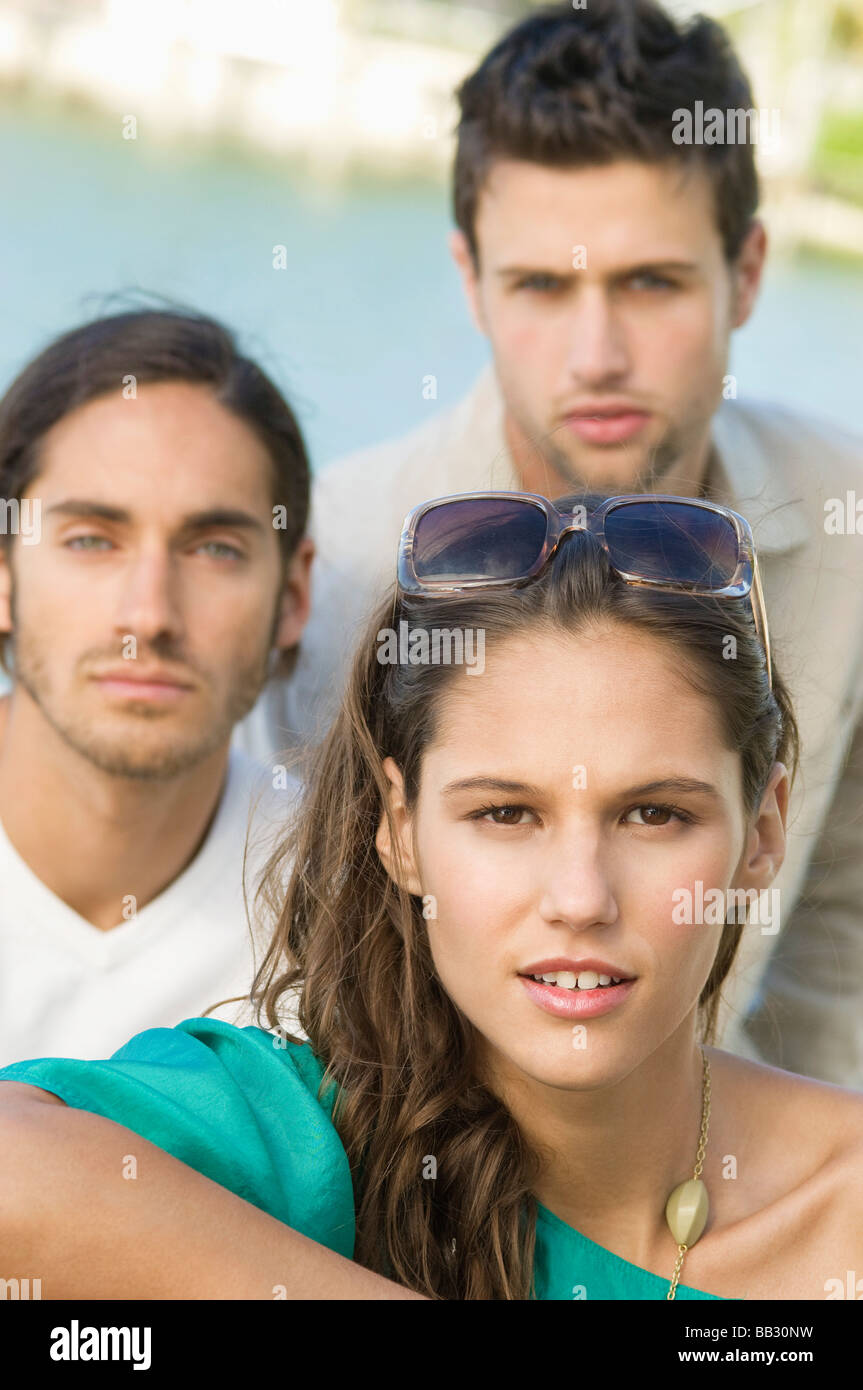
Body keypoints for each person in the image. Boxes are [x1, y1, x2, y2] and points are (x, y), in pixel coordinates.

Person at [1, 492, 861, 1300]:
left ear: (762, 832)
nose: (579, 898)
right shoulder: (299, 1143)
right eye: (504, 813)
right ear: (401, 828)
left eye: (652, 814)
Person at [235, 0, 863, 1088]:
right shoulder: (339, 551)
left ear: (747, 271)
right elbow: (300, 944)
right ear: (470, 279)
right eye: (540, 285)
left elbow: (841, 920)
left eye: (648, 283)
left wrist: (796, 1173)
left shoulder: (842, 511)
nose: (595, 354)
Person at [0, 308, 312, 1064]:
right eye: (90, 541)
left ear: (293, 597)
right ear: (3, 575)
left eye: (214, 549)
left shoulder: (356, 909)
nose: (149, 615)